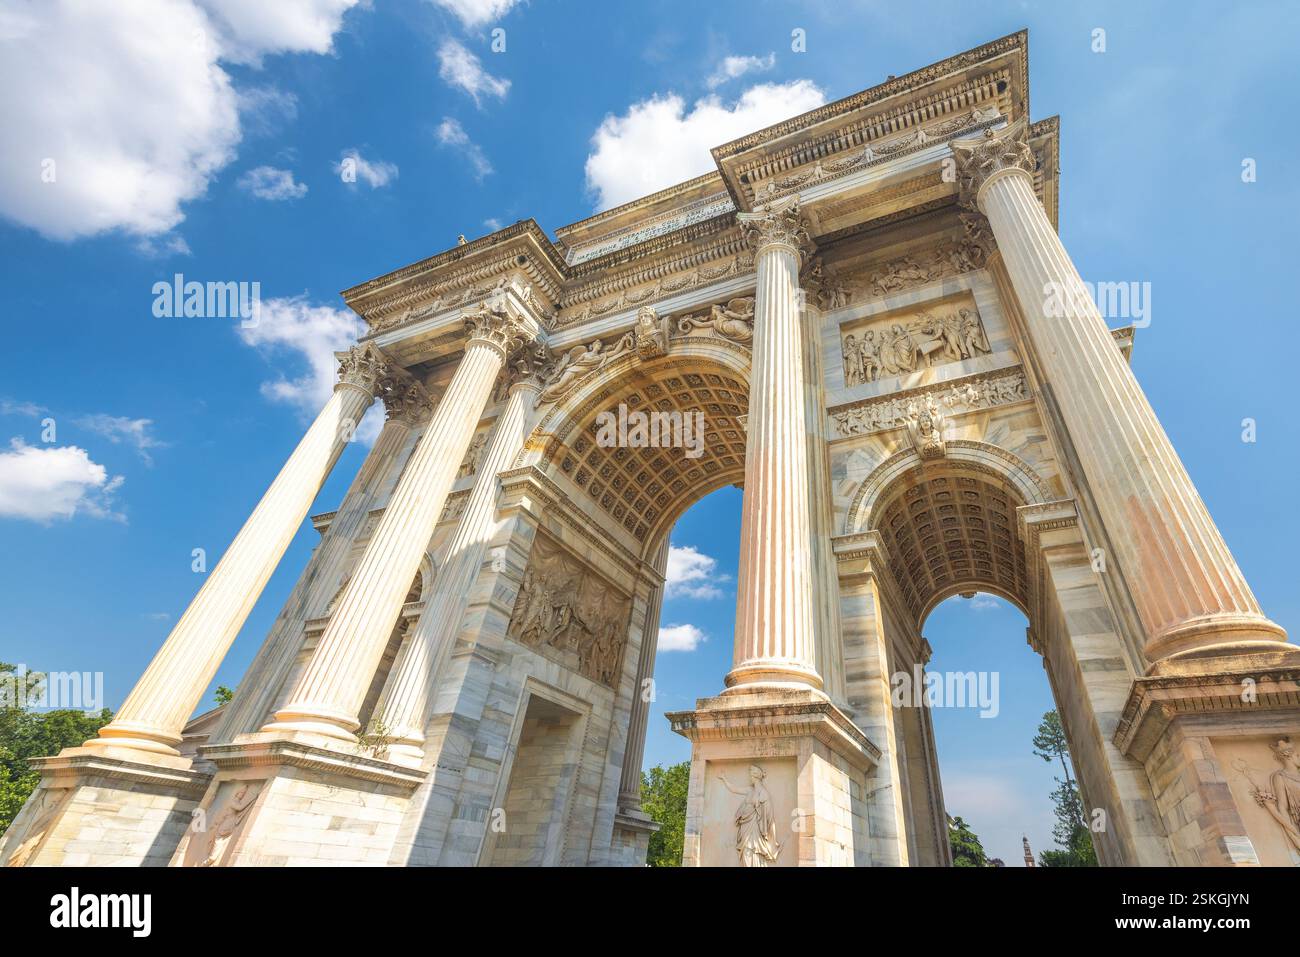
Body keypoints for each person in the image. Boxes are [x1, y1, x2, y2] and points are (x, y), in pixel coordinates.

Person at [716, 765, 781, 866]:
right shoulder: (750, 790)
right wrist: (724, 779)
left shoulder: (764, 794)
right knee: (746, 853)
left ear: (755, 776)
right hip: (745, 827)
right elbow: (735, 789)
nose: (749, 778)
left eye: (751, 775)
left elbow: (769, 816)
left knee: (751, 852)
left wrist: (767, 831)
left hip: (755, 830)